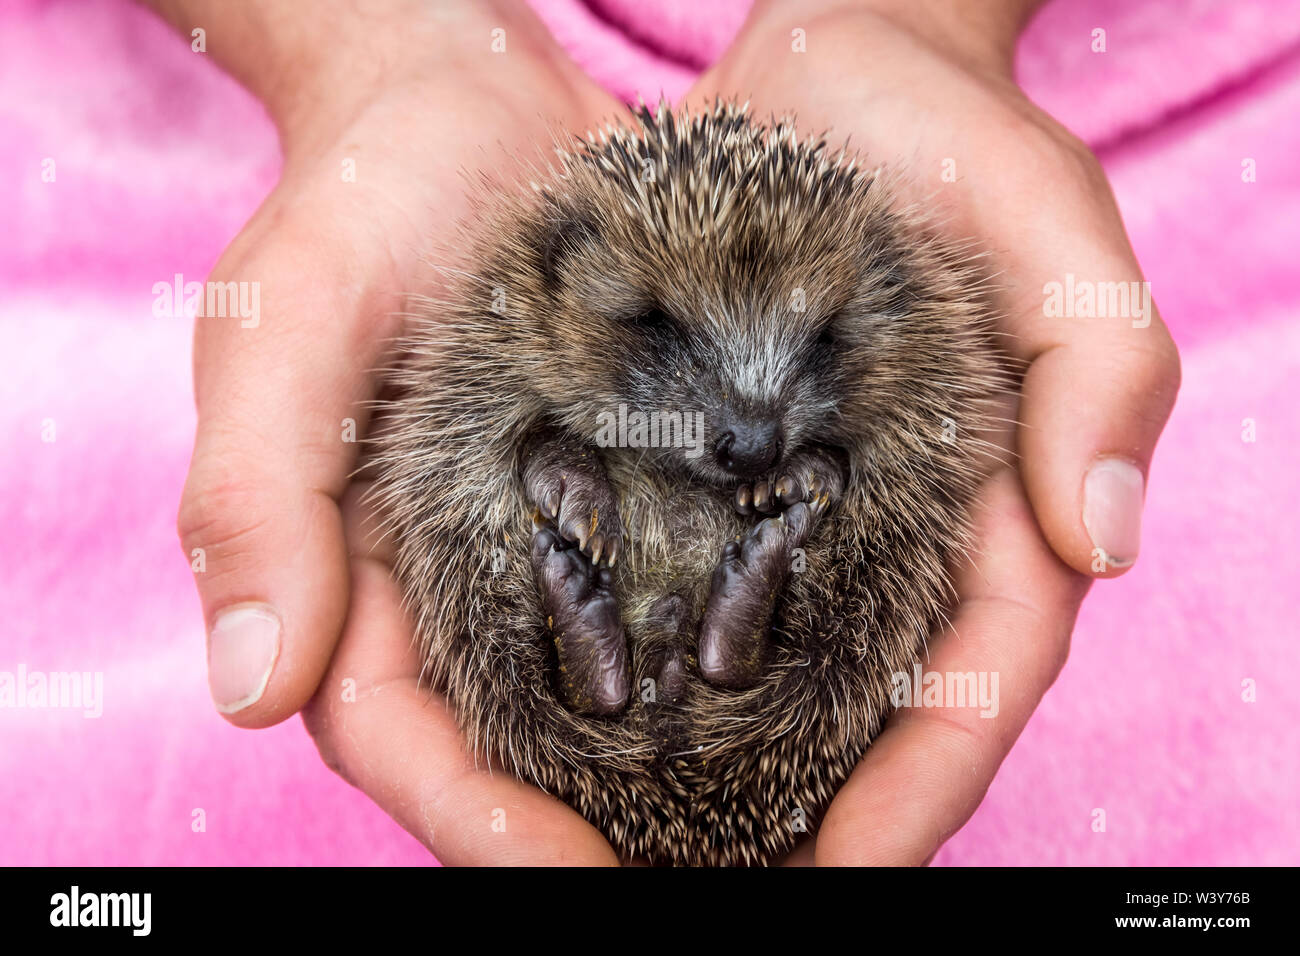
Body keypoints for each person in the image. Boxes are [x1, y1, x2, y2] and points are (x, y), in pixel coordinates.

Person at [154, 0, 1180, 864]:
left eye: (812, 346)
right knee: (475, 476)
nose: (752, 431)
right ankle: (672, 602)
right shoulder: (502, 306)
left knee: (883, 508)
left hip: (1208, 153)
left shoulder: (899, 317)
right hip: (135, 213)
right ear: (557, 283)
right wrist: (368, 50)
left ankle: (679, 612)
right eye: (660, 335)